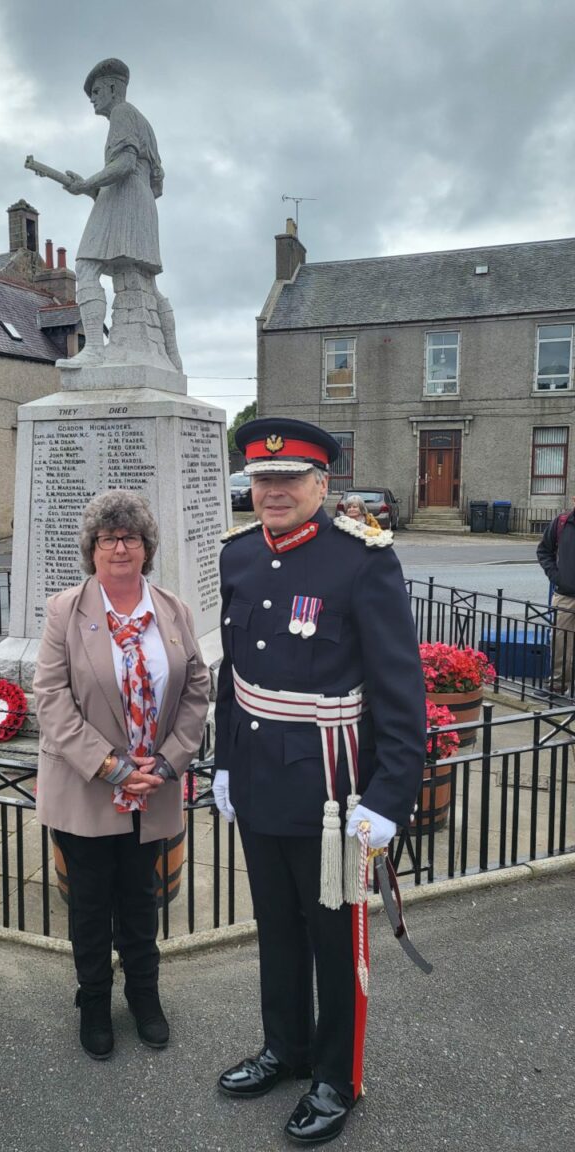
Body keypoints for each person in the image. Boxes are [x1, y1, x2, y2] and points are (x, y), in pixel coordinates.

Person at [212, 418, 426, 1146]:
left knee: (333, 938)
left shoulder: (362, 561)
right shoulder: (236, 557)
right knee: (276, 927)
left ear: (321, 484)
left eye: (290, 479)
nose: (273, 492)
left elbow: (401, 694)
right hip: (261, 783)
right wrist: (225, 764)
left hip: (335, 791)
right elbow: (231, 674)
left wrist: (391, 799)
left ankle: (336, 1075)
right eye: (263, 481)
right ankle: (288, 1048)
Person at [33, 489, 209, 1060]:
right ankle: (93, 1000)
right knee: (88, 903)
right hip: (88, 788)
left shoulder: (172, 610)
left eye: (130, 537)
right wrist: (110, 766)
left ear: (146, 547)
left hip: (153, 787)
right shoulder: (66, 610)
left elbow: (197, 690)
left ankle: (145, 997)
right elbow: (51, 699)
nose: (119, 548)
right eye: (108, 538)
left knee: (140, 899)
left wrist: (167, 761)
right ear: (92, 549)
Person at [58, 57, 182, 371]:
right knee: (147, 284)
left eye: (97, 90)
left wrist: (88, 181)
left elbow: (125, 165)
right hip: (138, 201)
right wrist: (87, 188)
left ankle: (95, 349)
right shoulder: (144, 123)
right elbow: (152, 181)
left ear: (114, 87)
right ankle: (172, 358)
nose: (92, 98)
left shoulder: (123, 113)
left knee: (86, 266)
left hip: (125, 198)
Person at [537, 495, 575, 696]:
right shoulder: (561, 523)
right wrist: (556, 576)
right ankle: (557, 686)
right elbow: (544, 550)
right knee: (560, 643)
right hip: (565, 595)